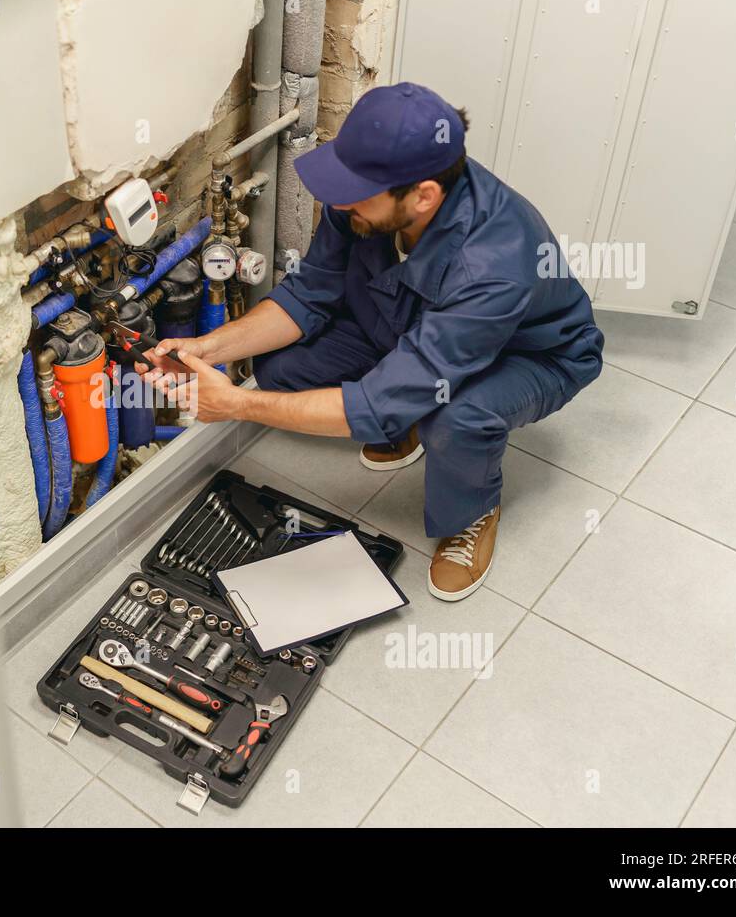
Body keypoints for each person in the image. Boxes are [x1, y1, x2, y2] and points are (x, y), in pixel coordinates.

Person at [138, 82, 604, 602]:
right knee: (282, 368)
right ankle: (409, 416)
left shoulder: (494, 264)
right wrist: (210, 348)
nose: (337, 199)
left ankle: (473, 511)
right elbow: (308, 295)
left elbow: (379, 402)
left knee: (455, 416)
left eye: (353, 189)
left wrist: (236, 405)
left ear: (423, 195)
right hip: (410, 323)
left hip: (530, 353)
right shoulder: (371, 196)